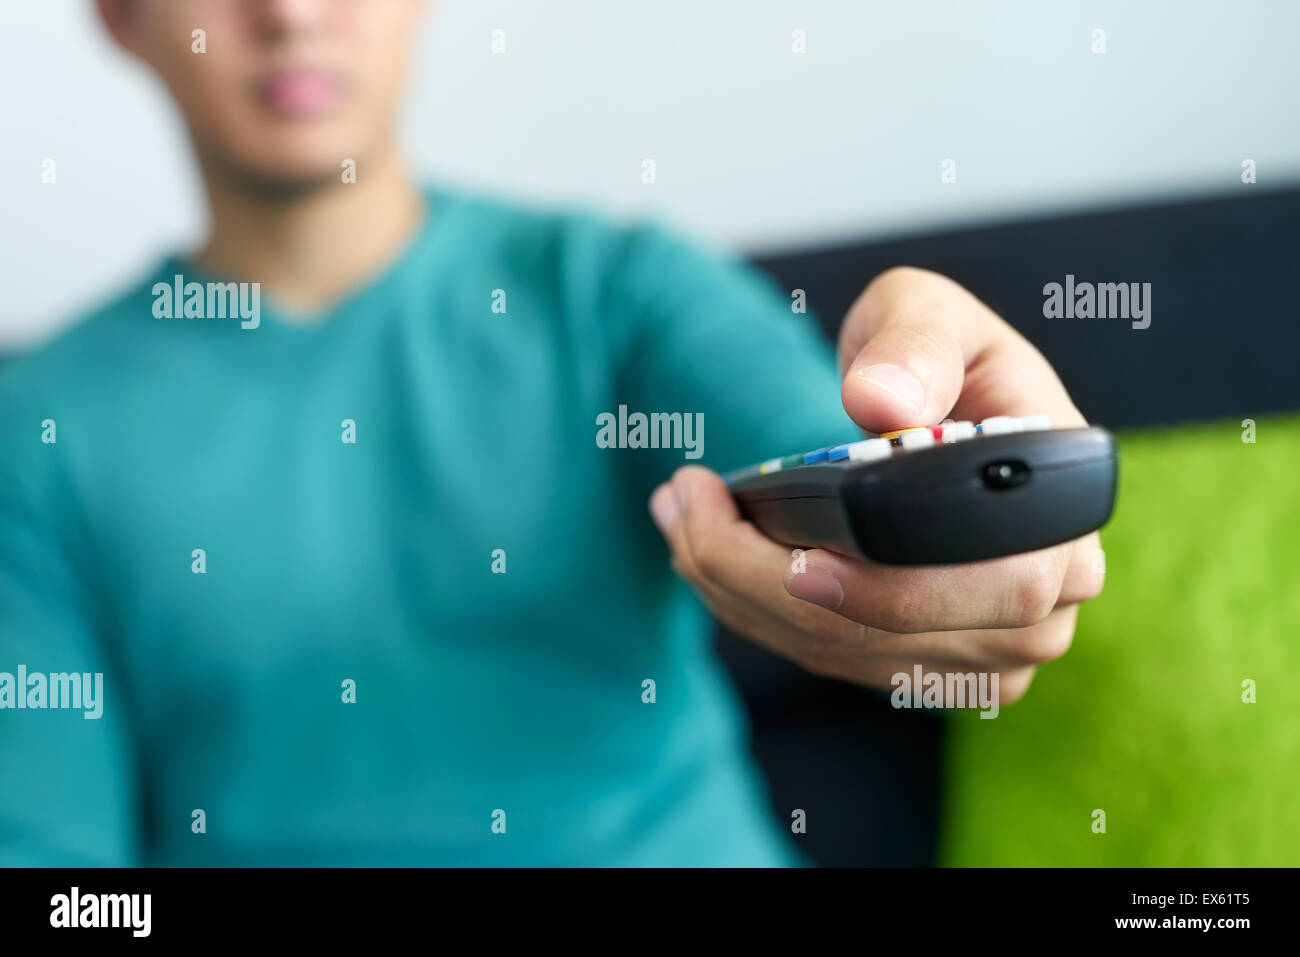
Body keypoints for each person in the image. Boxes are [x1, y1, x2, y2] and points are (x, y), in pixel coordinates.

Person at [0, 0, 1103, 866]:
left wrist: (955, 503)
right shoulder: (35, 429)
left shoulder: (616, 291)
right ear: (119, 14)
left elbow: (821, 453)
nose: (290, 9)